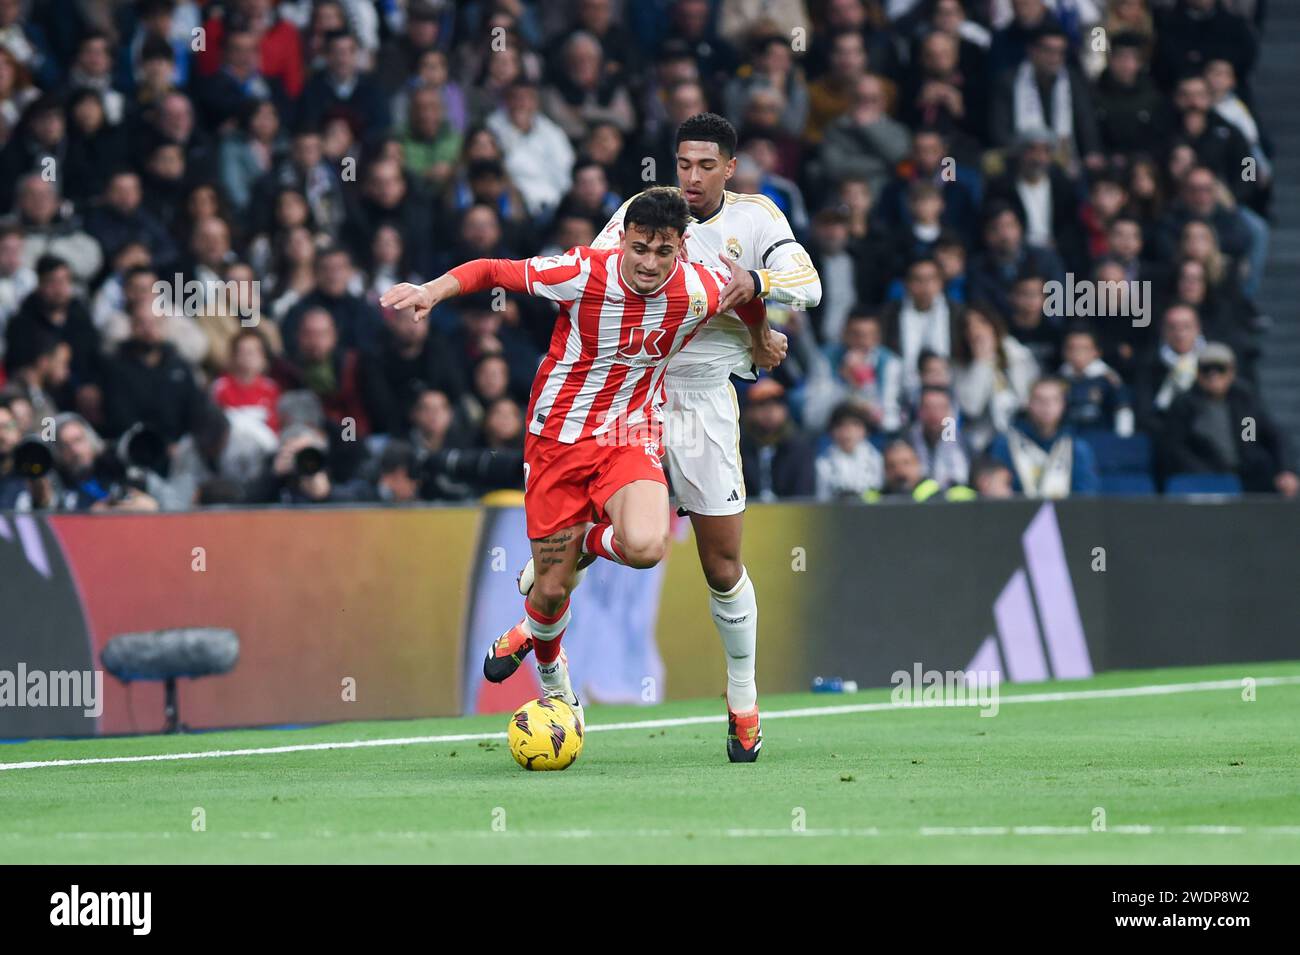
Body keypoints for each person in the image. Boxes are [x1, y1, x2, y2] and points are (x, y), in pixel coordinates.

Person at [380, 187, 773, 752]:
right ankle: (556, 684)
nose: (649, 263)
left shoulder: (699, 285)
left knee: (646, 546)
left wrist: (760, 338)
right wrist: (432, 291)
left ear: (681, 249)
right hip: (556, 445)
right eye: (640, 248)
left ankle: (581, 545)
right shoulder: (584, 271)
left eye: (663, 252)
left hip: (628, 437)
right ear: (624, 241)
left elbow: (746, 295)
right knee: (547, 596)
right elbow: (494, 269)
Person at [588, 113, 821, 761]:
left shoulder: (757, 219)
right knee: (579, 543)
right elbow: (598, 271)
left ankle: (743, 703)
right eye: (682, 164)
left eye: (704, 165)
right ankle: (544, 658)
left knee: (721, 564)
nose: (690, 177)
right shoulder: (647, 213)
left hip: (703, 404)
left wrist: (758, 288)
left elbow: (810, 284)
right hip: (635, 392)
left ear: (729, 168)